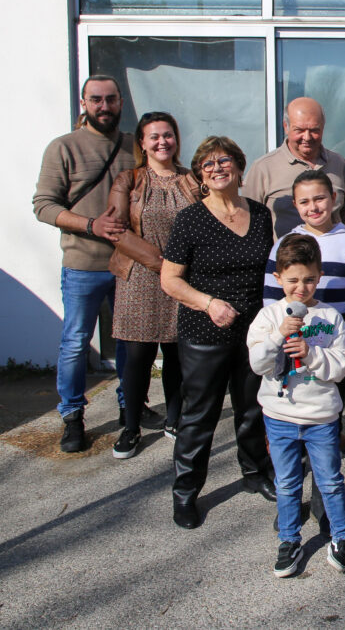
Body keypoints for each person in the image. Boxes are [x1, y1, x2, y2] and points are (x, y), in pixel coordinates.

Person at [161, 136, 276, 530]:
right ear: (200, 176)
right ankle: (185, 493)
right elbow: (170, 280)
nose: (217, 168)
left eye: (224, 160)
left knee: (252, 408)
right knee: (200, 415)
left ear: (239, 167)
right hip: (204, 333)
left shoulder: (259, 214)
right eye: (207, 164)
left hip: (253, 331)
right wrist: (208, 303)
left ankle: (255, 473)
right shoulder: (190, 220)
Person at [32, 74, 134, 453]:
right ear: (84, 103)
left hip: (128, 264)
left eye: (110, 99)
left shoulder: (134, 146)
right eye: (96, 100)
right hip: (82, 264)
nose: (104, 106)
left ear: (120, 101)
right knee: (76, 342)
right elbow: (44, 206)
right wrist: (92, 225)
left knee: (129, 341)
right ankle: (72, 416)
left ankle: (130, 406)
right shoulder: (63, 147)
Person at [263, 170, 345, 517]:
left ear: (334, 199)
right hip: (291, 350)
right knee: (290, 424)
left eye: (320, 198)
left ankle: (324, 504)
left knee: (326, 426)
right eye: (305, 201)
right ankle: (290, 504)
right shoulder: (285, 243)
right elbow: (270, 296)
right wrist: (281, 335)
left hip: (331, 352)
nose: (313, 207)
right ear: (295, 205)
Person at [247, 234, 345, 578]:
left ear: (319, 276)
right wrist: (279, 335)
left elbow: (343, 364)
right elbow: (258, 363)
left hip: (321, 417)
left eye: (309, 279)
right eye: (292, 280)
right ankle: (290, 540)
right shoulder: (268, 317)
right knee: (287, 483)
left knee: (331, 481)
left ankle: (341, 536)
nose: (301, 287)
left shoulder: (329, 317)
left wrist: (312, 354)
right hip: (279, 417)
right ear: (278, 278)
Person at [107, 111, 199, 458]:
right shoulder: (128, 180)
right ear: (142, 143)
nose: (163, 142)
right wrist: (163, 265)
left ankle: (174, 419)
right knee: (138, 358)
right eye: (154, 136)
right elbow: (116, 229)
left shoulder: (191, 179)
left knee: (176, 354)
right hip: (140, 278)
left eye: (168, 135)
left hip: (183, 279)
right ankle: (130, 427)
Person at [243, 97, 345, 239]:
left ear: (323, 127)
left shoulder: (338, 163)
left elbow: (344, 213)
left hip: (334, 251)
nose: (307, 137)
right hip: (285, 252)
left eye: (314, 130)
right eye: (299, 130)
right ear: (285, 127)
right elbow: (249, 220)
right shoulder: (263, 168)